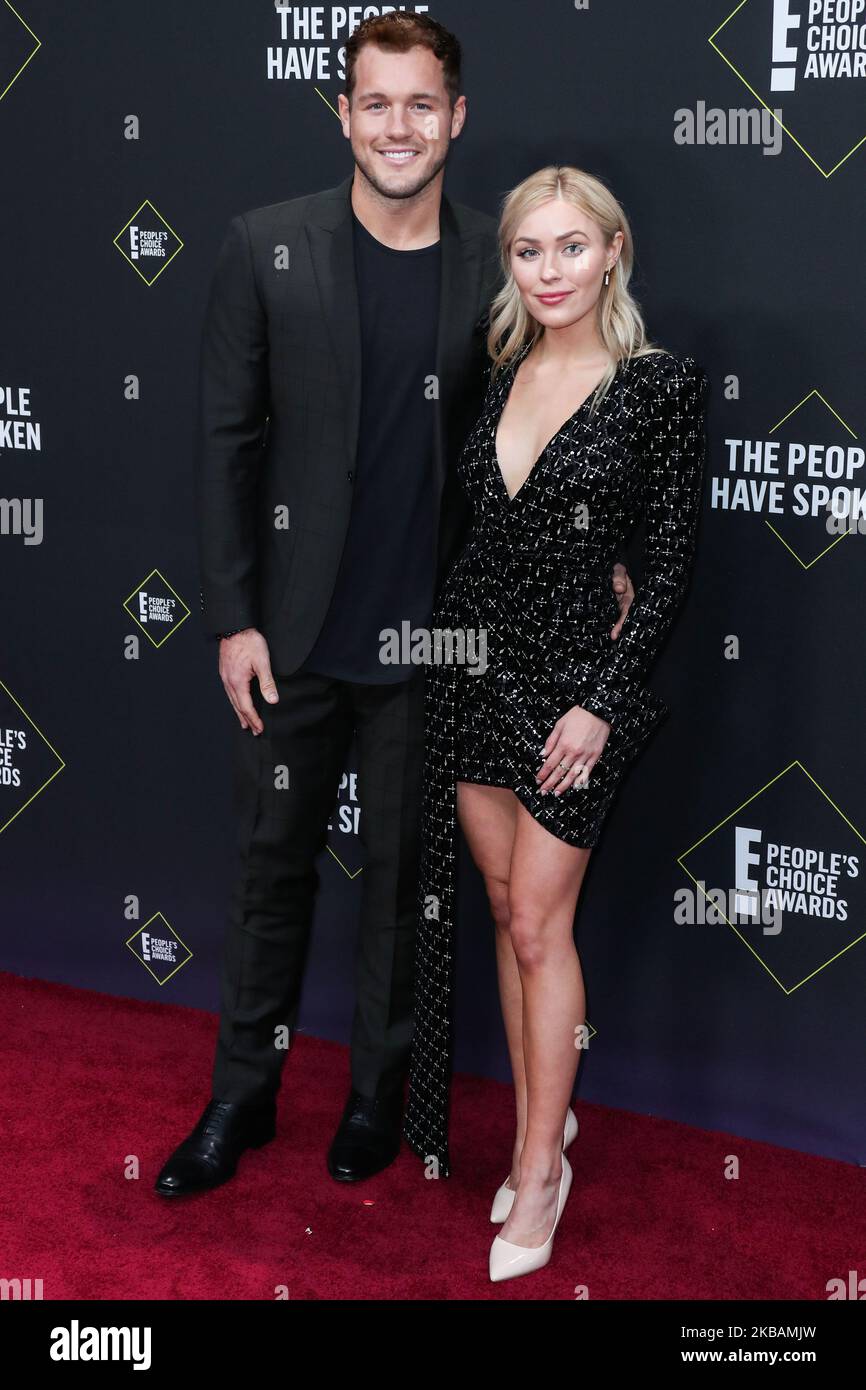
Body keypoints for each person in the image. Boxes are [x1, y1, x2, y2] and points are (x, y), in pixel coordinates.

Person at [154, 15, 637, 1198]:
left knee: (404, 888)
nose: (398, 127)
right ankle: (239, 1101)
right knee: (271, 871)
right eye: (376, 104)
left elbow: (573, 415)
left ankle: (376, 1102)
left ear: (455, 117)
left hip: (441, 639)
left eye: (421, 104)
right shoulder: (264, 247)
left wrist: (612, 554)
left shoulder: (499, 261)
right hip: (293, 633)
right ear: (343, 115)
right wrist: (231, 616)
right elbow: (224, 443)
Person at [403, 164, 709, 1282]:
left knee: (539, 922)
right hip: (477, 668)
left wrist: (601, 700)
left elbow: (669, 570)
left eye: (571, 248)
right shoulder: (499, 370)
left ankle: (539, 1171)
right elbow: (479, 535)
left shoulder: (657, 385)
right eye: (529, 251)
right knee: (500, 909)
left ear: (612, 251)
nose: (548, 271)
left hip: (583, 683)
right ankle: (549, 1119)